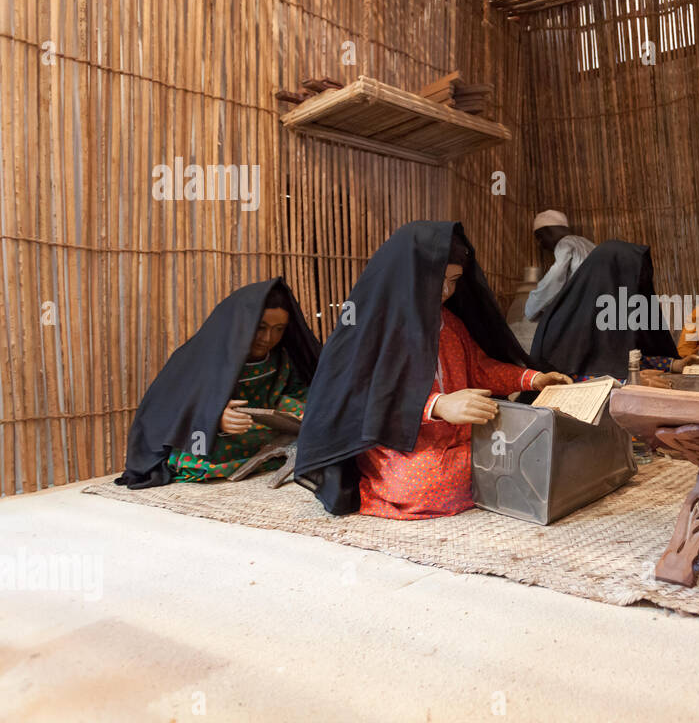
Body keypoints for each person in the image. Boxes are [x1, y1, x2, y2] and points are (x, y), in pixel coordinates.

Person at [295, 222, 571, 518]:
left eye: (454, 280)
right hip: (399, 441)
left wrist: (533, 378)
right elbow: (357, 396)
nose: (446, 290)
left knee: (521, 447)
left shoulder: (449, 323)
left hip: (457, 436)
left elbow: (479, 368)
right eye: (438, 278)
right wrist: (437, 406)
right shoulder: (373, 324)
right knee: (426, 483)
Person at [116, 278, 319, 488]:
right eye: (261, 327)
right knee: (198, 454)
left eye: (279, 329)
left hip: (264, 430)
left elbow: (297, 391)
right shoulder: (203, 357)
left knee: (306, 430)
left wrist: (294, 410)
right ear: (242, 323)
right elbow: (167, 408)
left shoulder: (281, 358)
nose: (269, 338)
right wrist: (214, 417)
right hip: (222, 436)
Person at [530, 240, 691, 381]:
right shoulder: (565, 322)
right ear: (617, 278)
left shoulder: (614, 312)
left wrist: (673, 364)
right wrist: (628, 382)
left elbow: (621, 357)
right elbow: (565, 376)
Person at [524, 210, 597, 321]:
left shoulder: (565, 244)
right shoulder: (587, 243)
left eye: (540, 237)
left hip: (584, 306)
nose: (540, 244)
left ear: (550, 231)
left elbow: (555, 278)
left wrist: (531, 307)